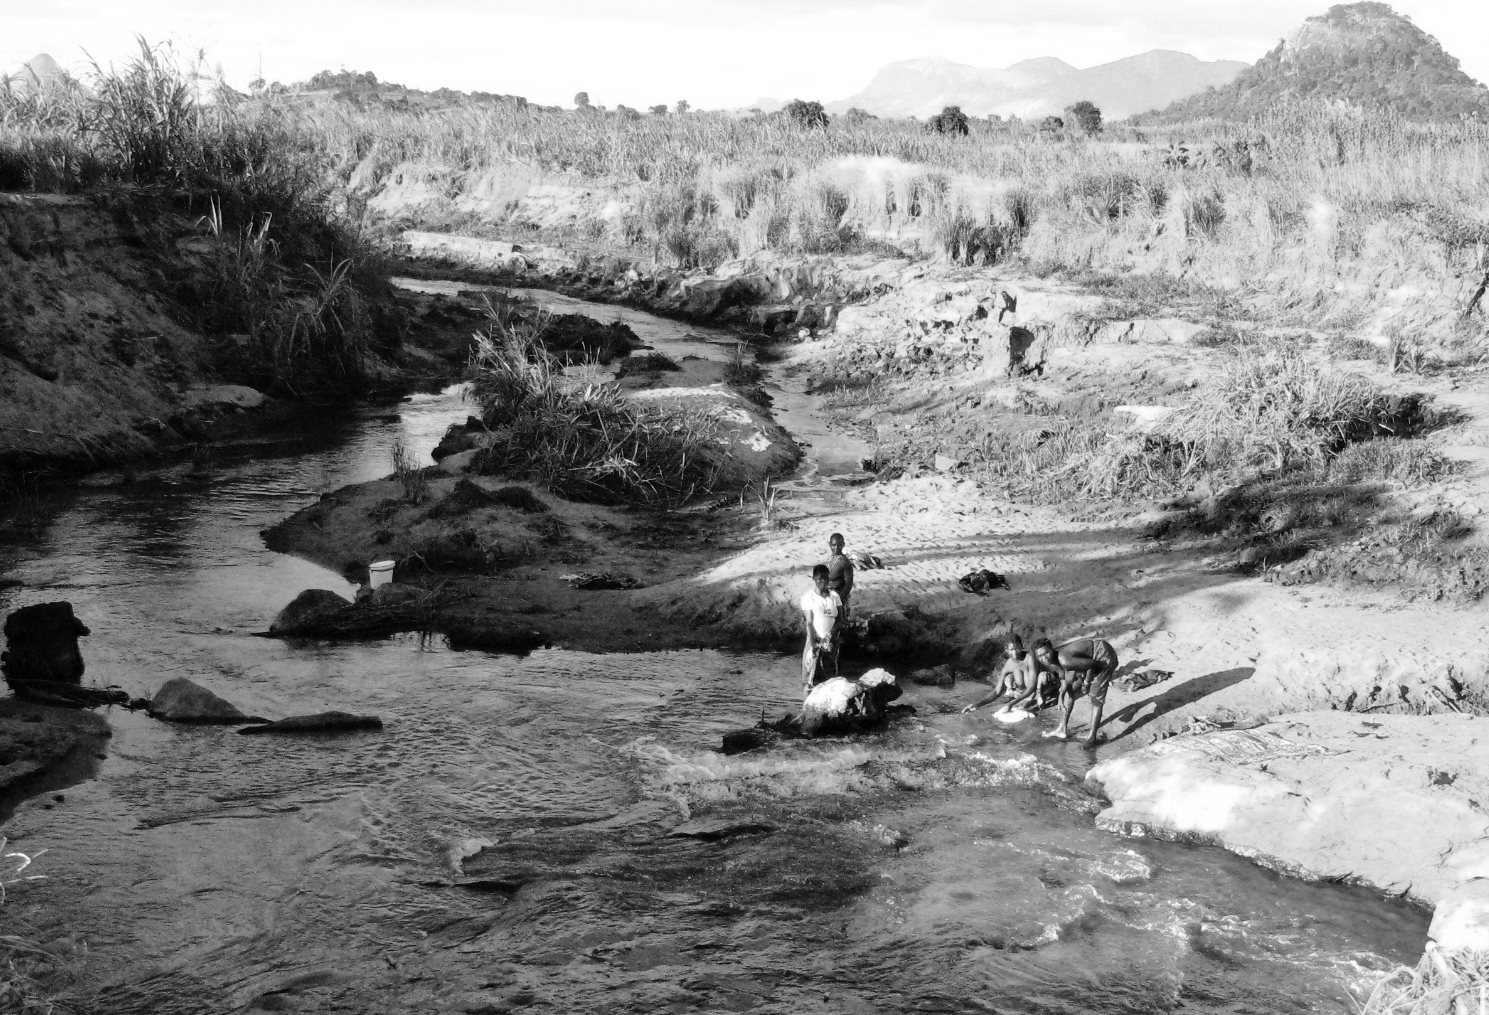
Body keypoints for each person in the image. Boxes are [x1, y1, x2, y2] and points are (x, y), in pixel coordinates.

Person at [997, 636, 1119, 746]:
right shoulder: (1052, 661)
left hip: (1102, 655)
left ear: (1052, 649)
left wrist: (1087, 683)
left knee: (1095, 698)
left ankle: (1091, 738)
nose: (1044, 658)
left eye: (1046, 653)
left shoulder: (1064, 659)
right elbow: (1064, 678)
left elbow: (1093, 665)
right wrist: (1061, 695)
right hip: (1087, 661)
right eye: (1039, 656)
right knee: (1070, 690)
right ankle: (1062, 729)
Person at [961, 634, 1046, 713]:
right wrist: (978, 704)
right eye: (1012, 649)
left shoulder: (1029, 657)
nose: (1015, 652)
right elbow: (997, 691)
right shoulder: (1009, 664)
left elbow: (1031, 686)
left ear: (1022, 646)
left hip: (1038, 692)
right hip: (1025, 695)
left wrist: (1012, 703)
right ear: (1006, 649)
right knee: (1011, 678)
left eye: (1017, 648)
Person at [800, 564, 843, 695]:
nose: (822, 581)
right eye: (819, 579)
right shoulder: (809, 597)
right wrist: (813, 644)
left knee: (829, 675)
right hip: (815, 639)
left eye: (825, 578)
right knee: (810, 676)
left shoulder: (834, 596)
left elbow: (840, 619)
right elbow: (809, 623)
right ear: (814, 579)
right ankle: (807, 704)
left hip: (830, 641)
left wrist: (830, 636)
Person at [826, 532, 855, 617]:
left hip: (839, 599)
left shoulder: (844, 562)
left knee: (836, 624)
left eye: (839, 545)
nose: (836, 548)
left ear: (843, 545)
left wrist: (837, 601)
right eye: (834, 545)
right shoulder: (831, 558)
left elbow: (848, 585)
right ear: (830, 545)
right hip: (829, 598)